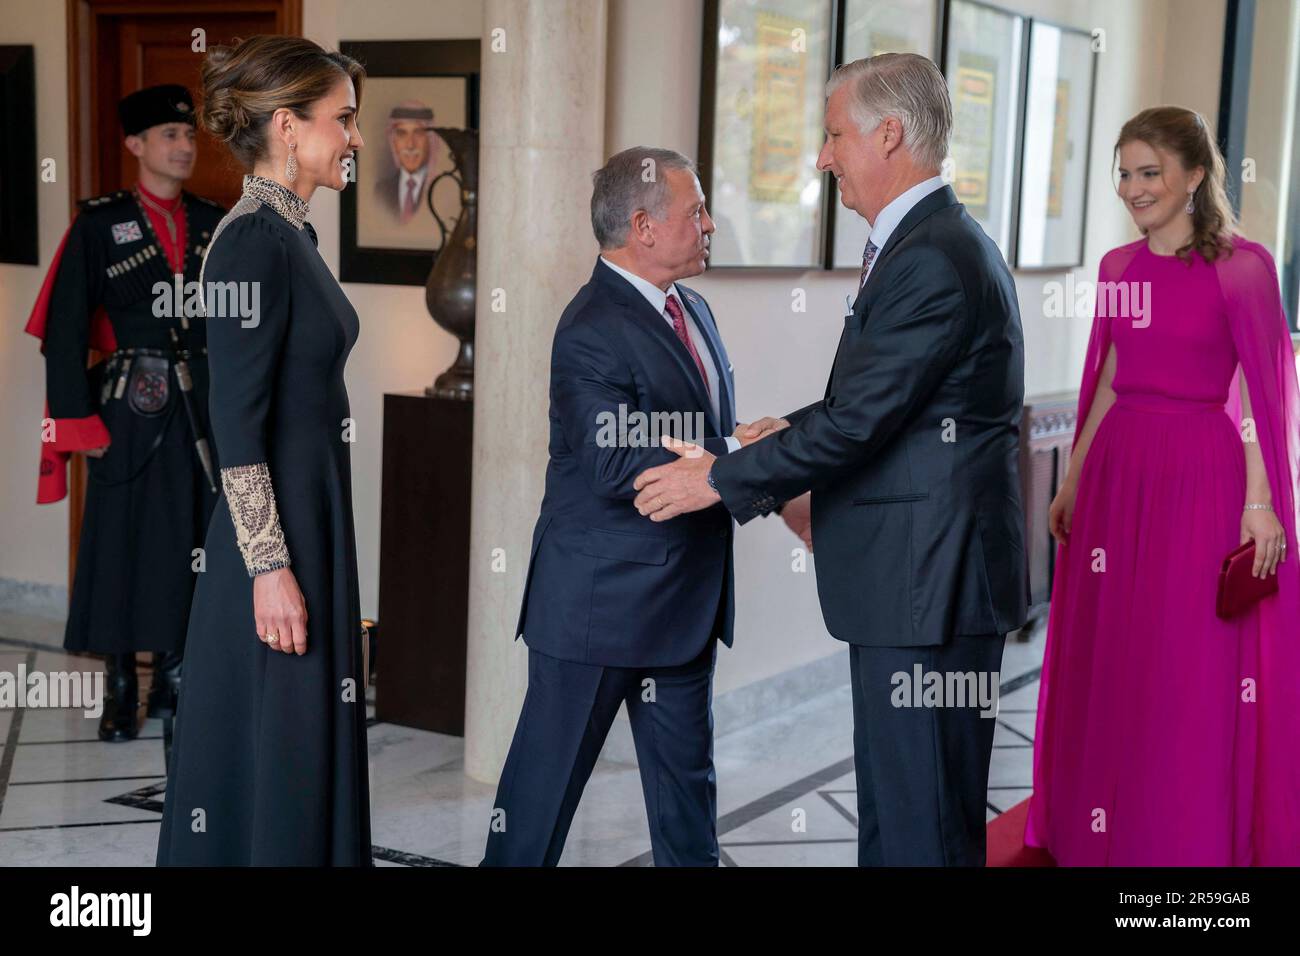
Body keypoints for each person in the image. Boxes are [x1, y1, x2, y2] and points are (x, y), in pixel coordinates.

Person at [633, 53, 1029, 866]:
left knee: (922, 827)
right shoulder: (929, 240)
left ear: (890, 135)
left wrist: (723, 478)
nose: (821, 155)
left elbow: (862, 424)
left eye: (833, 134)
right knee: (896, 814)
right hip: (917, 585)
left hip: (930, 587)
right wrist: (787, 434)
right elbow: (884, 404)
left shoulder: (932, 256)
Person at [1025, 107, 1300, 866]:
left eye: (1149, 172)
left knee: (1188, 660)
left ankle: (1181, 840)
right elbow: (1110, 378)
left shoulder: (1243, 268)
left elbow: (1260, 392)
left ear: (1196, 175)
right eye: (1124, 172)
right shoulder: (1117, 269)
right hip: (1119, 475)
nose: (1133, 188)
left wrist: (1260, 501)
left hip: (1203, 475)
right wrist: (1075, 478)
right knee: (1117, 656)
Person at [482, 147, 755, 867]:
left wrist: (740, 454)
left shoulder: (690, 307)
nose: (709, 224)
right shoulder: (590, 326)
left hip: (685, 604)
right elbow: (612, 458)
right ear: (643, 225)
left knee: (688, 812)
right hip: (597, 609)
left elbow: (689, 435)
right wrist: (734, 451)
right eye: (695, 211)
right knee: (535, 813)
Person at [156, 35, 371, 866]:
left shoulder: (289, 235)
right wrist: (270, 567)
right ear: (287, 126)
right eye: (343, 120)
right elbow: (235, 427)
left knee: (293, 743)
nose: (353, 137)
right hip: (275, 546)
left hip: (305, 526)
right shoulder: (252, 241)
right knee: (274, 750)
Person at [25, 84, 225, 743]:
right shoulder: (97, 223)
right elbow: (64, 331)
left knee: (188, 541)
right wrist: (78, 423)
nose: (185, 146)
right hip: (126, 408)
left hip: (197, 405)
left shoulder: (212, 221)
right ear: (135, 145)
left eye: (190, 135)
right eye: (170, 136)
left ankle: (172, 676)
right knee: (118, 546)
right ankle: (118, 685)